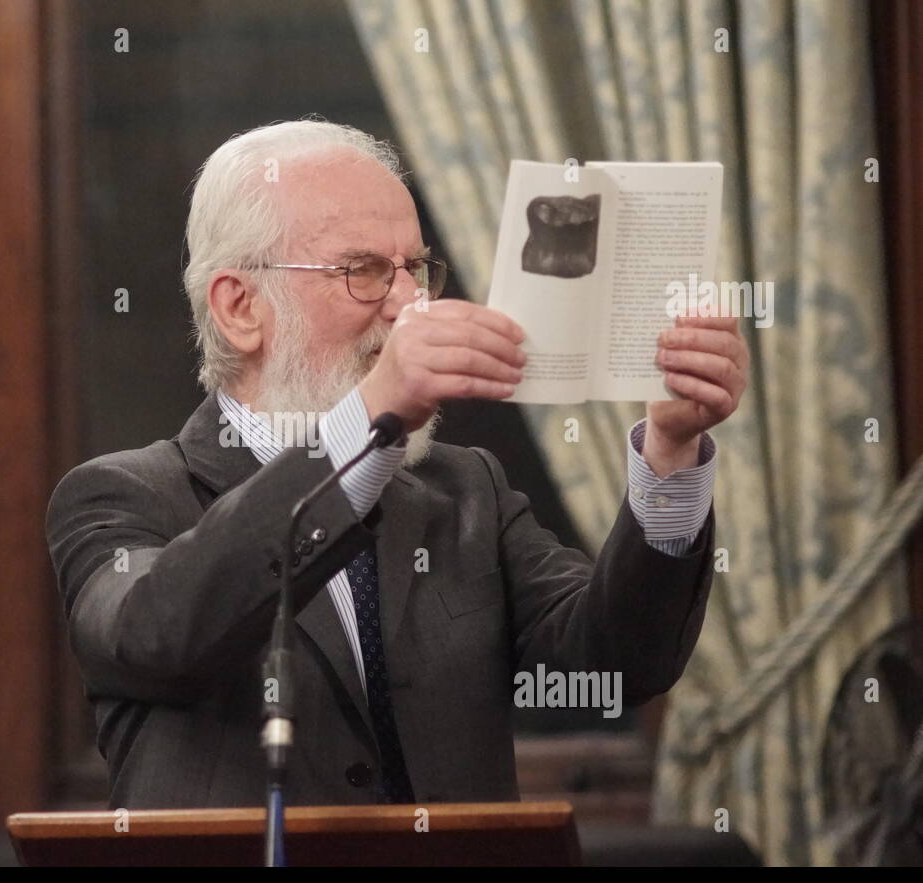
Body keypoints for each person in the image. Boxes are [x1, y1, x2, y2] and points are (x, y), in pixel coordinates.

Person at [46, 120, 748, 808]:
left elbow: (616, 668)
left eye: (415, 269)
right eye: (364, 272)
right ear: (240, 308)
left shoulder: (466, 489)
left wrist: (671, 454)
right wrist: (372, 413)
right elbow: (161, 635)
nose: (410, 303)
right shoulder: (120, 496)